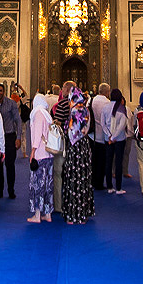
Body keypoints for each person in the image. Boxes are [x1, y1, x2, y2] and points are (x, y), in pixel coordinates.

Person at [61, 86, 95, 224]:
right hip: (85, 148)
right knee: (84, 178)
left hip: (75, 150)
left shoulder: (74, 111)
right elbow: (86, 129)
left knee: (74, 179)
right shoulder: (86, 110)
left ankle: (74, 214)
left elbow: (72, 133)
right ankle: (84, 213)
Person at [26, 94, 54, 223]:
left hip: (40, 155)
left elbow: (37, 135)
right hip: (49, 154)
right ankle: (47, 214)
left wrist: (33, 151)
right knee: (47, 184)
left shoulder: (37, 114)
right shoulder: (47, 114)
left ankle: (37, 215)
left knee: (38, 185)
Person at [0, 82, 21, 199]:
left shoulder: (11, 104)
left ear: (4, 92)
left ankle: (10, 190)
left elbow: (18, 121)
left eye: (0, 91)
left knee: (10, 165)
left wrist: (18, 138)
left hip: (9, 137)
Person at [51, 80, 73, 215]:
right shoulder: (79, 104)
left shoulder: (63, 104)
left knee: (58, 172)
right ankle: (72, 201)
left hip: (63, 142)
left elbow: (58, 125)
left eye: (64, 88)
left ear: (66, 90)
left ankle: (59, 205)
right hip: (75, 143)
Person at [104, 88, 129, 194]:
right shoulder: (122, 109)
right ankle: (118, 188)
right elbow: (122, 126)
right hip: (119, 140)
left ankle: (109, 187)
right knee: (118, 162)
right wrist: (114, 137)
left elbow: (103, 123)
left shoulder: (105, 108)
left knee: (108, 162)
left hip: (108, 140)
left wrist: (109, 136)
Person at [90, 82, 112, 190]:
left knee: (94, 159)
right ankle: (99, 183)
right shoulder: (107, 103)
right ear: (107, 92)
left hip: (93, 135)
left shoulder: (92, 100)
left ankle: (93, 180)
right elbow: (109, 120)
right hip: (103, 135)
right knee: (102, 160)